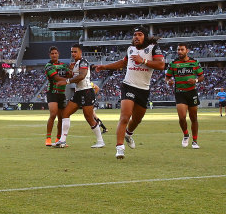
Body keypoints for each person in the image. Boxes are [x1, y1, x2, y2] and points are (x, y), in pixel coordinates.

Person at [95, 26, 165, 159]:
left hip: (143, 89)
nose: (136, 37)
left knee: (137, 119)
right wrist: (105, 66)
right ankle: (119, 148)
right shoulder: (130, 49)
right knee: (125, 116)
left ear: (145, 36)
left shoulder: (153, 47)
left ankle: (129, 134)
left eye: (139, 34)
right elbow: (123, 63)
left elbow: (161, 65)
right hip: (129, 86)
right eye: (135, 35)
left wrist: (143, 60)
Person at [54, 44, 105, 148]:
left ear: (80, 52)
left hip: (86, 92)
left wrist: (67, 82)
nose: (73, 54)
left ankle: (100, 141)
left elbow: (82, 76)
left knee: (89, 118)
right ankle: (62, 141)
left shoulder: (83, 62)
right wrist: (68, 72)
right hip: (78, 92)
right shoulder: (76, 63)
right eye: (72, 52)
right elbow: (73, 76)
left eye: (75, 52)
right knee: (65, 113)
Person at [165, 43, 204, 149]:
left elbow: (201, 76)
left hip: (192, 92)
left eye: (182, 49)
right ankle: (186, 134)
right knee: (182, 117)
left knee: (193, 118)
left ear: (187, 50)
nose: (179, 52)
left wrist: (195, 80)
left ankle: (195, 141)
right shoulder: (173, 63)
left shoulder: (194, 62)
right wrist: (169, 82)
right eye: (178, 50)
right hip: (180, 92)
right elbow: (167, 78)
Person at [44, 46, 70, 146]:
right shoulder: (48, 66)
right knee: (53, 114)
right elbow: (56, 77)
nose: (54, 55)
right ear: (49, 55)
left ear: (58, 54)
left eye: (55, 53)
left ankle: (59, 139)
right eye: (52, 53)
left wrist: (71, 72)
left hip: (62, 94)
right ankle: (48, 138)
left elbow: (69, 74)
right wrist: (68, 80)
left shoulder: (64, 65)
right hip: (52, 92)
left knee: (61, 117)